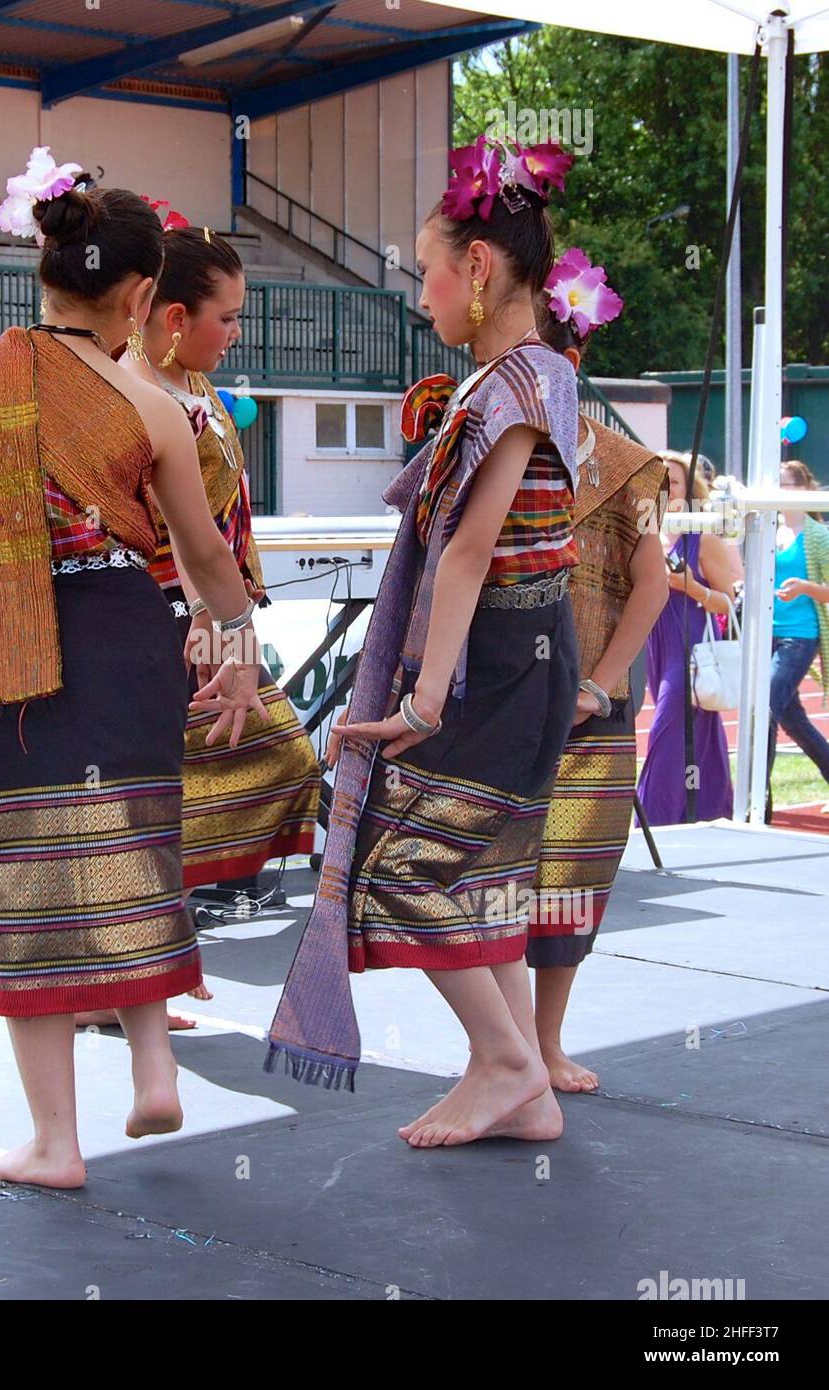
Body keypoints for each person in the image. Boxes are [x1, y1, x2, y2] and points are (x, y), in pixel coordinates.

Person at [0, 153, 266, 1190]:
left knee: (22, 886)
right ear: (143, 297)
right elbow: (209, 561)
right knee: (133, 843)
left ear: (41, 271)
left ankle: (55, 1141)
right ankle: (152, 1064)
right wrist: (238, 659)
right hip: (126, 640)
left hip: (7, 650)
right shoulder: (155, 410)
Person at [267, 133, 582, 1147]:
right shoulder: (543, 374)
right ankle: (520, 1085)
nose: (420, 294)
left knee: (407, 870)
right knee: (481, 863)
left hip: (491, 664)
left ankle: (504, 1061)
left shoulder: (510, 387)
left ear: (479, 269)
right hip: (533, 654)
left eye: (426, 271)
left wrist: (423, 697)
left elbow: (467, 554)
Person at [121, 223, 320, 891]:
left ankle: (176, 915)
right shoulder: (136, 388)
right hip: (169, 614)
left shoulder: (194, 382)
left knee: (264, 757)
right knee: (161, 783)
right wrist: (209, 612)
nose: (237, 331)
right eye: (228, 317)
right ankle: (155, 929)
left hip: (209, 605)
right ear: (175, 316)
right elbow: (178, 524)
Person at [528, 250, 669, 1092]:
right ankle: (503, 1046)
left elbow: (650, 587)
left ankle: (544, 1041)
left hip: (596, 700)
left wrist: (596, 683)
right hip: (505, 696)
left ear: (570, 366)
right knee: (498, 872)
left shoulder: (633, 467)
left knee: (573, 875)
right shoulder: (491, 448)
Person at [636, 451, 742, 824]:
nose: (666, 487)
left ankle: (652, 821)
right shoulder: (646, 535)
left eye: (675, 480)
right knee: (699, 735)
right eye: (659, 480)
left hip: (691, 648)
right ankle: (712, 811)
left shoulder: (703, 539)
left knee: (665, 732)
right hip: (655, 647)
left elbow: (727, 601)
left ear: (689, 490)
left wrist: (692, 588)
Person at [767, 459, 829, 808]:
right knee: (794, 721)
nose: (777, 491)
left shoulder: (818, 537)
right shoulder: (766, 530)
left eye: (785, 485)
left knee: (766, 707)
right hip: (767, 634)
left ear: (804, 489)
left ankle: (757, 796)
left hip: (800, 634)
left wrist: (805, 587)